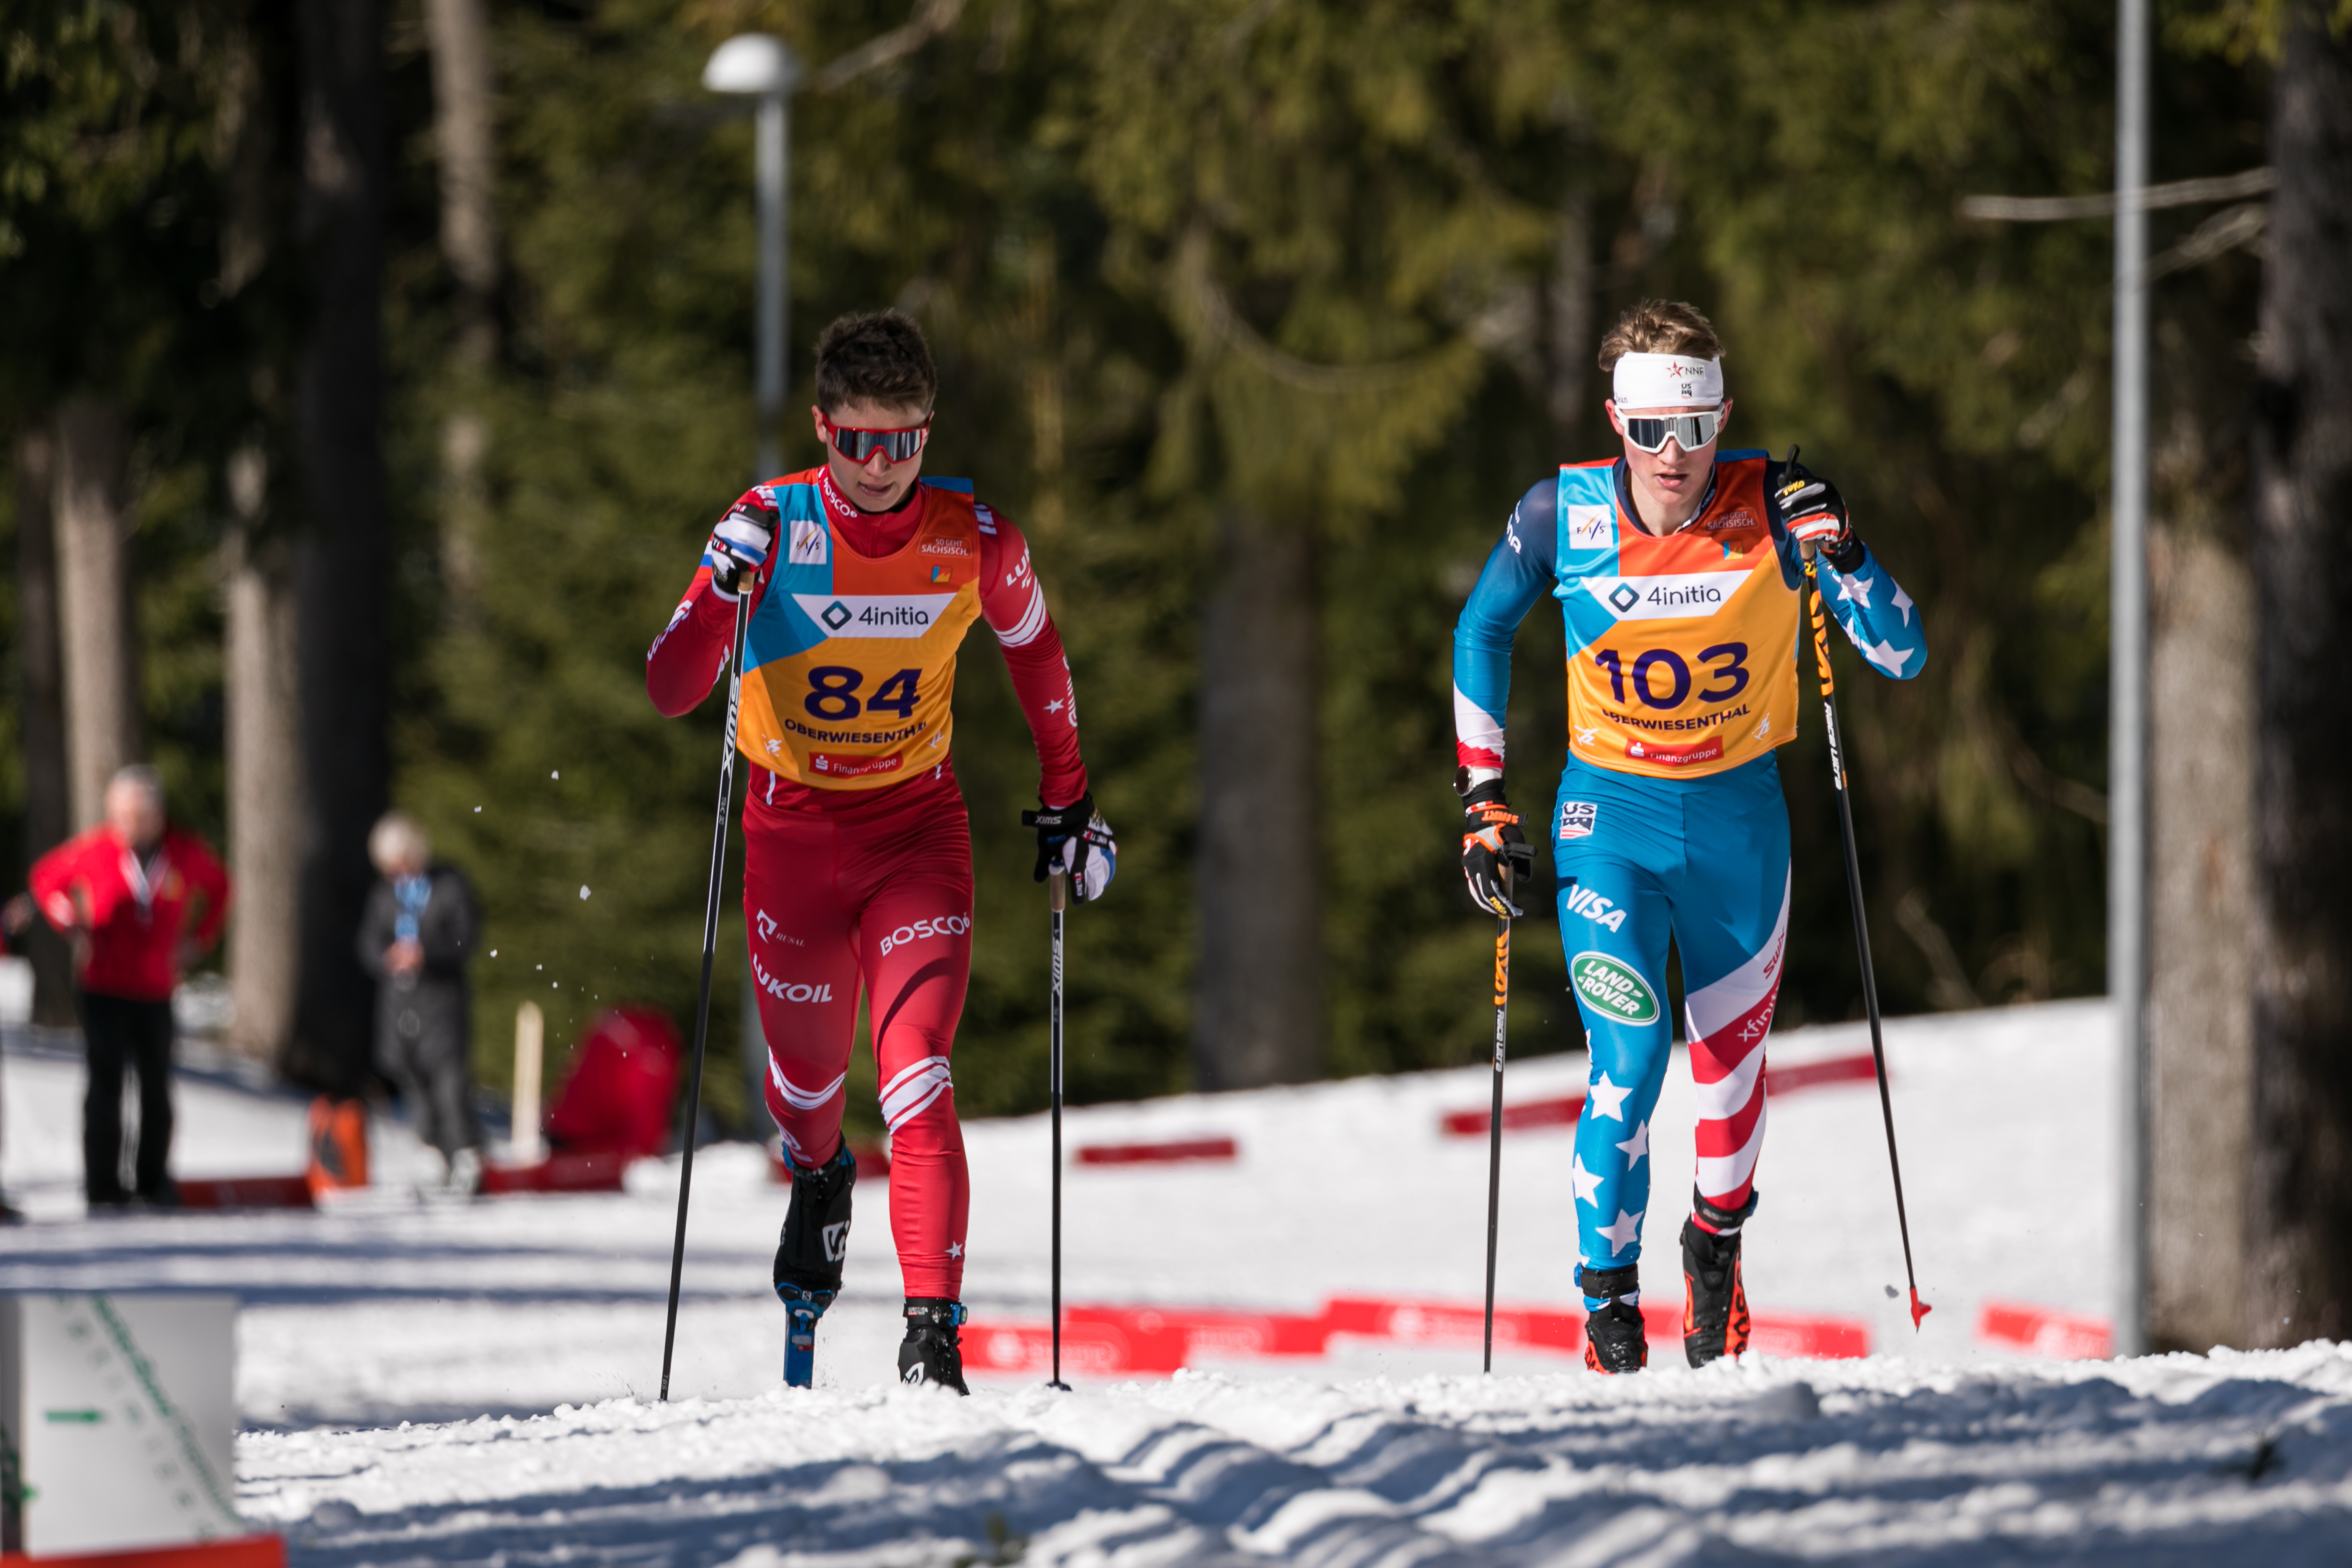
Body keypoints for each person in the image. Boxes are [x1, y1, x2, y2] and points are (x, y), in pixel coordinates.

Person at [1450, 299, 1928, 1373]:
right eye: (1652, 429)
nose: (1676, 457)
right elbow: (1480, 627)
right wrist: (1483, 798)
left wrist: (1843, 553)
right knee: (1627, 1060)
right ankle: (1606, 1301)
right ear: (1615, 420)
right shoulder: (1557, 515)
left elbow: (1900, 657)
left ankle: (1713, 1249)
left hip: (1736, 828)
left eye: (1698, 427)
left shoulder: (1776, 508)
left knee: (1727, 1081)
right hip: (1606, 821)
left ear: (1725, 417)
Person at [647, 309, 1114, 1392]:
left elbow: (1037, 651)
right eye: (857, 443)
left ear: (928, 432)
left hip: (915, 834)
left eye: (903, 442)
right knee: (808, 1094)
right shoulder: (769, 522)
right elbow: (672, 689)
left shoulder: (975, 540)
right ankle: (817, 1176)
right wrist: (721, 593)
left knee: (916, 1076)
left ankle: (930, 1337)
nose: (879, 468)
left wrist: (1068, 793)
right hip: (792, 836)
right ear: (821, 431)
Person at [11, 766, 230, 1209]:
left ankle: (152, 1181)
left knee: (156, 1089)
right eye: (119, 815)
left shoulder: (184, 852)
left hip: (157, 989)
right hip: (104, 988)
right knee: (105, 1087)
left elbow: (222, 887)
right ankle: (102, 1186)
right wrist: (72, 924)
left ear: (157, 815)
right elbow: (45, 880)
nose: (126, 826)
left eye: (136, 816)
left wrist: (200, 938)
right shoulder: (96, 849)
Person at [357, 812, 485, 1196]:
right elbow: (367, 944)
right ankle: (430, 1152)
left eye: (403, 860)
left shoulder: (449, 885)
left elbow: (468, 937)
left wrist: (426, 952)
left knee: (450, 1079)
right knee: (413, 1077)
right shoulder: (384, 896)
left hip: (443, 1002)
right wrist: (388, 956)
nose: (398, 871)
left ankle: (465, 1153)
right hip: (400, 1004)